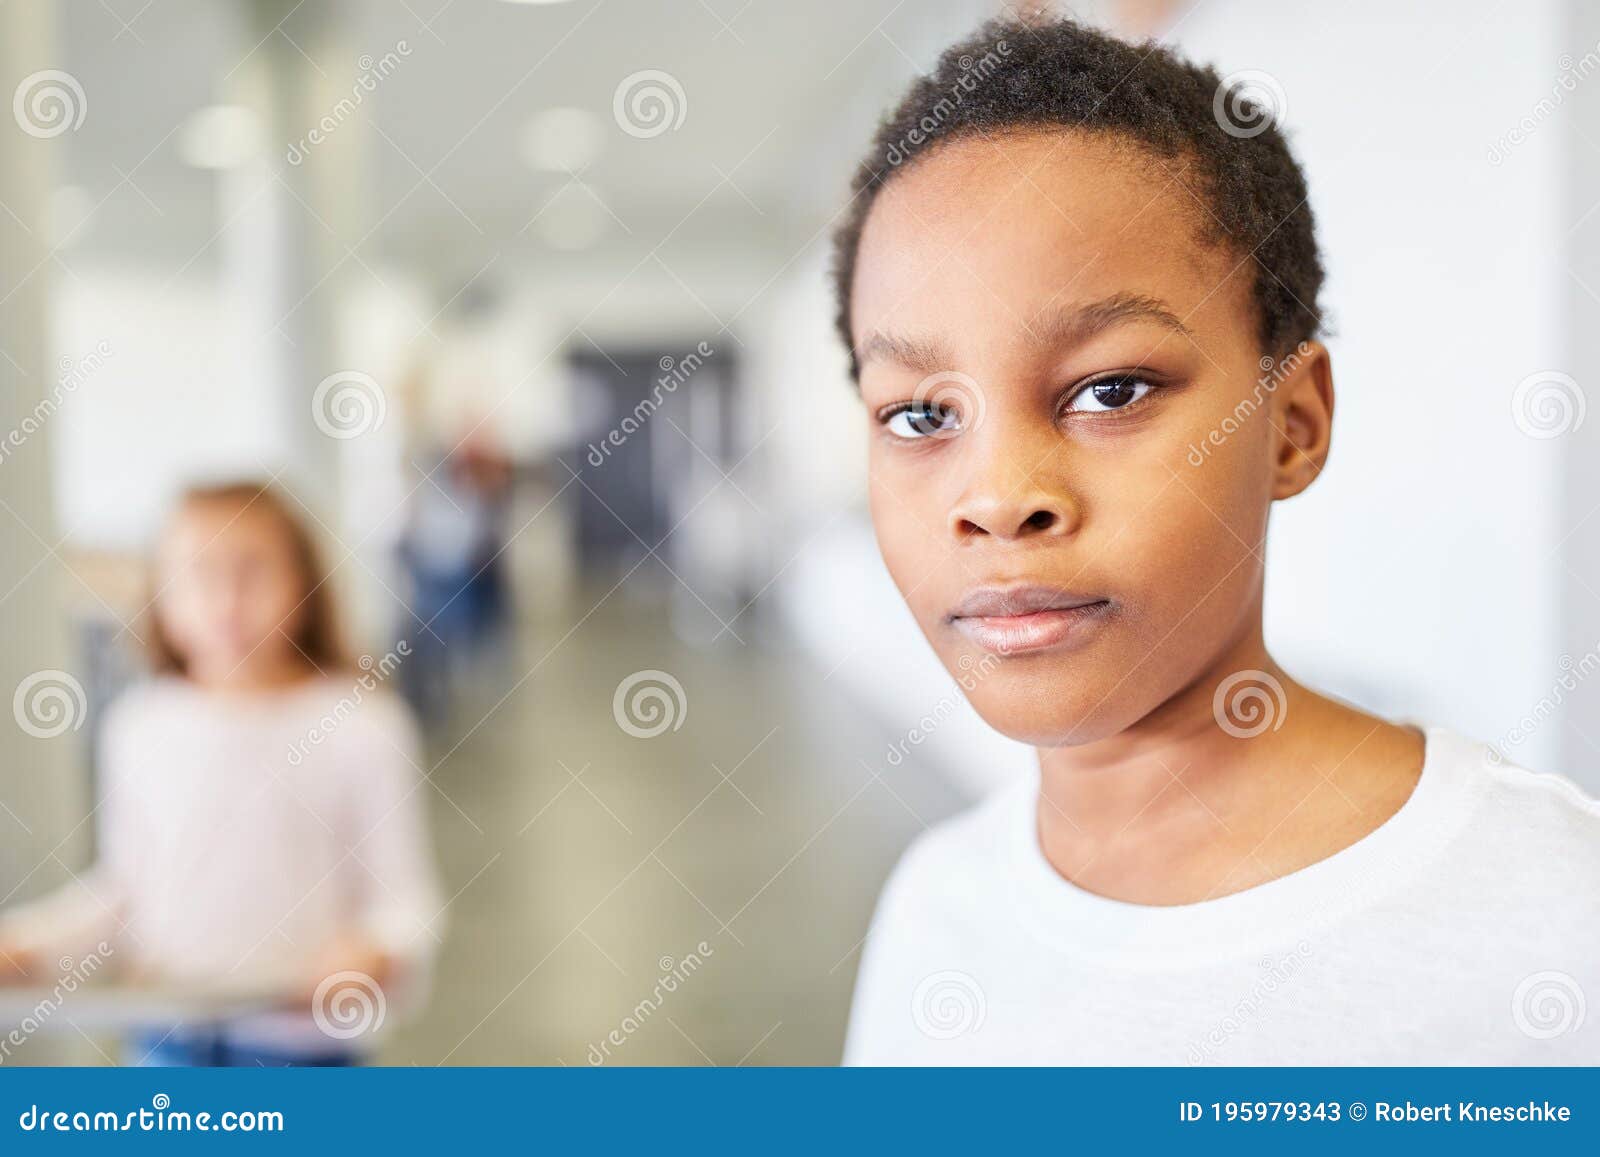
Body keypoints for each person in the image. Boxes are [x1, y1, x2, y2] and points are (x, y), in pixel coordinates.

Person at [834, 16, 1600, 1064]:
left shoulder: (1555, 917)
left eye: (1110, 389)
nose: (999, 498)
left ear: (1292, 424)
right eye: (921, 415)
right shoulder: (933, 909)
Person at [0, 481, 443, 1066]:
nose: (227, 598)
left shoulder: (362, 725)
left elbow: (404, 902)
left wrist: (373, 953)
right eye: (199, 574)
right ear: (161, 594)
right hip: (166, 1043)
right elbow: (126, 889)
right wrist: (29, 946)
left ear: (304, 585)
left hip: (302, 1052)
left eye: (254, 570)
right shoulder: (139, 725)